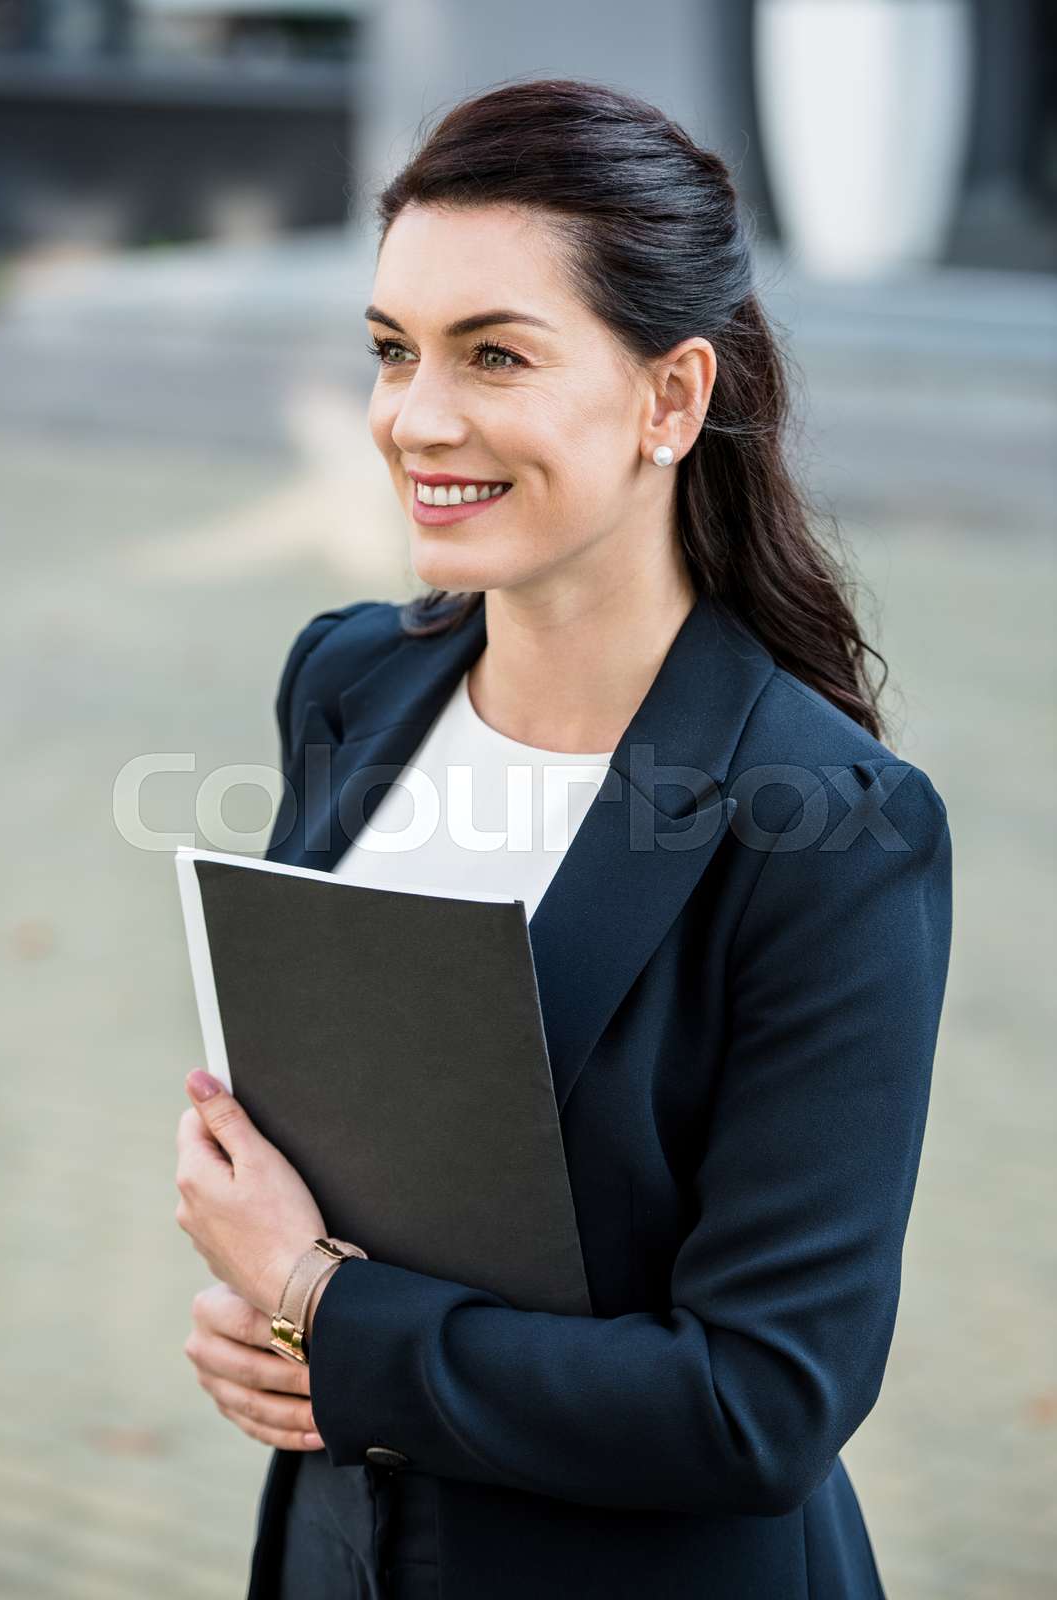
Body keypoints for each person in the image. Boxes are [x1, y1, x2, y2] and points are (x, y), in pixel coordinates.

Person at [174, 77, 953, 1600]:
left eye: (496, 356)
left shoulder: (831, 829)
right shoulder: (348, 677)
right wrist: (277, 1320)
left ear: (671, 400)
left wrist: (317, 1307)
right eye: (394, 350)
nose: (416, 417)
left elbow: (762, 1403)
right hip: (342, 1551)